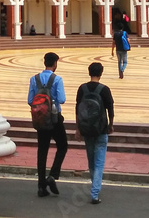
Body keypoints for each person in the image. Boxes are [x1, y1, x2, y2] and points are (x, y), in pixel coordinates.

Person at [28, 52, 67, 198]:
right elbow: (62, 99)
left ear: (44, 62)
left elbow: (30, 99)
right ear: (55, 63)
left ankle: (41, 187)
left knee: (42, 151)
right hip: (55, 118)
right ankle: (53, 175)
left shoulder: (34, 79)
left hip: (40, 119)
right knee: (62, 145)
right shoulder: (57, 79)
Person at [75, 62, 115, 205]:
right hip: (101, 129)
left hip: (86, 129)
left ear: (89, 72)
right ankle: (95, 193)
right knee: (99, 162)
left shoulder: (82, 88)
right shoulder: (104, 89)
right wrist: (110, 125)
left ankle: (95, 187)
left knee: (91, 161)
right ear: (101, 73)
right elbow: (110, 109)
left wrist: (78, 128)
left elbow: (77, 109)